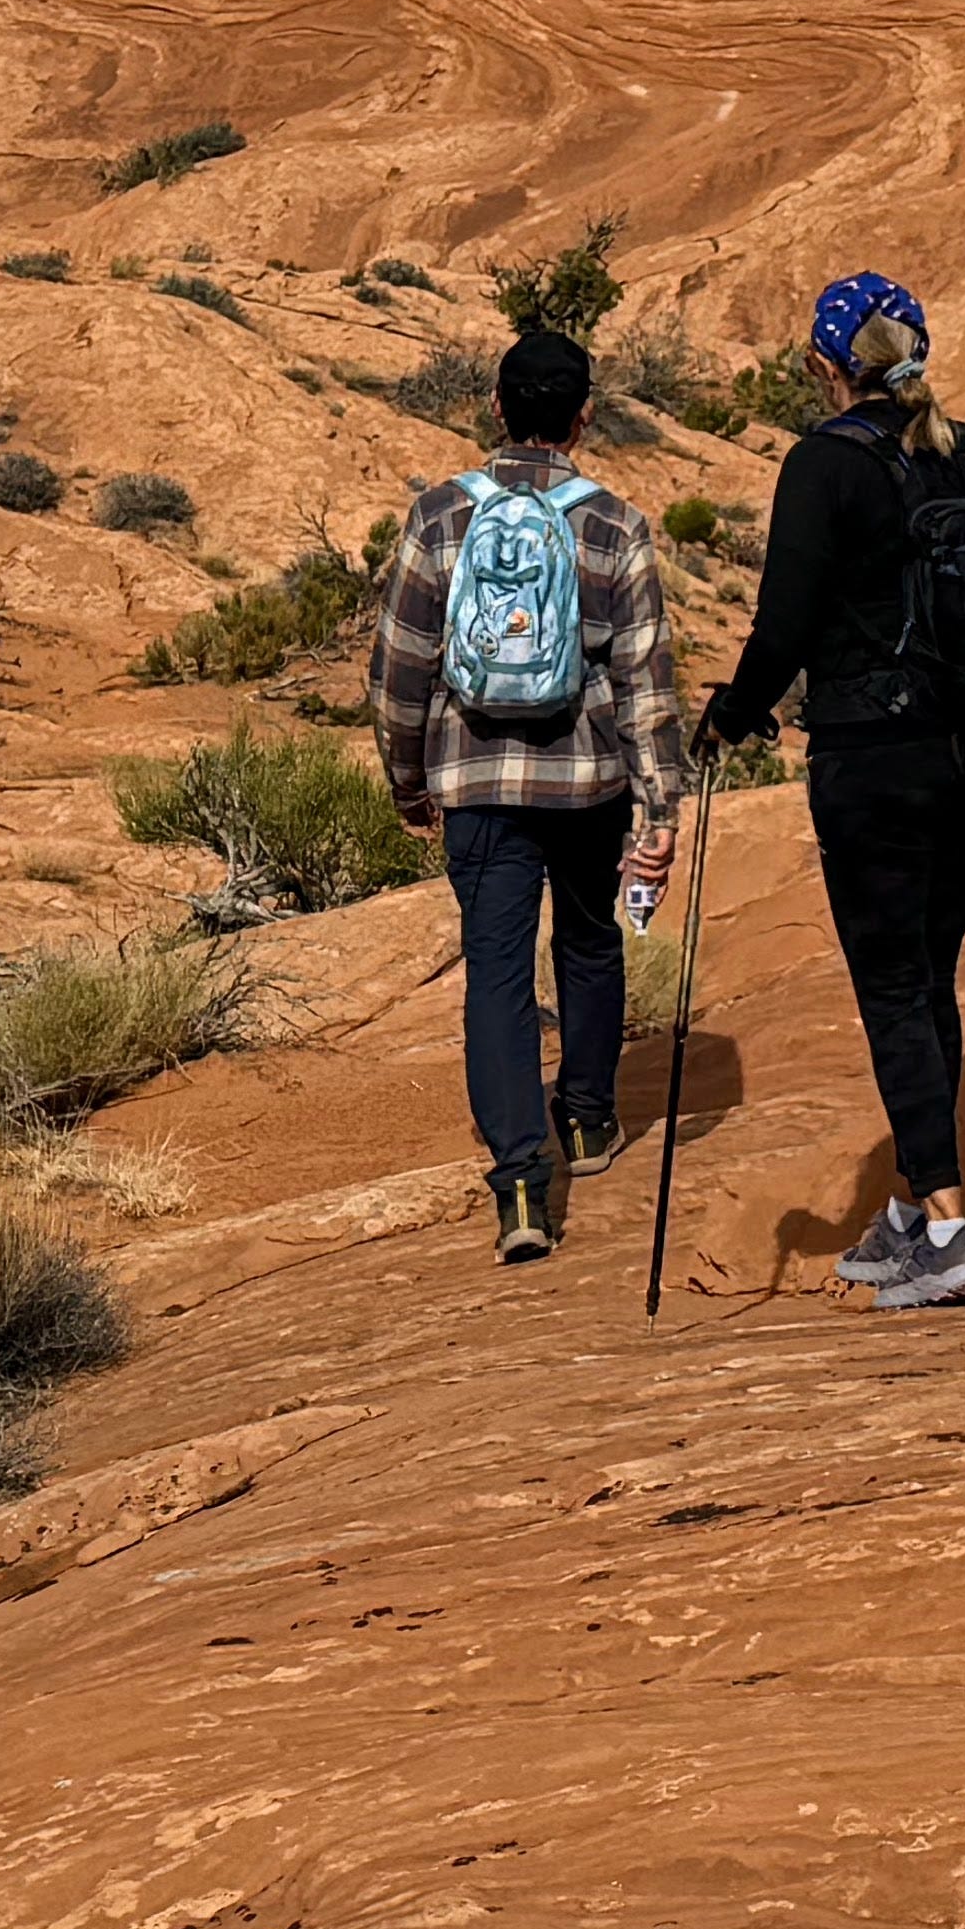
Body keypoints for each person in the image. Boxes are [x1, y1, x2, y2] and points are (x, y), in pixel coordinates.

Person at [698, 270, 965, 1313]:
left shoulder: (826, 462)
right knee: (927, 972)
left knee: (895, 983)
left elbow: (783, 626)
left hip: (878, 761)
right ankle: (911, 1204)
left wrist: (730, 714)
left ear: (826, 364)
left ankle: (945, 1233)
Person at [371, 326, 683, 1267]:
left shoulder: (439, 516)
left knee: (497, 975)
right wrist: (660, 808)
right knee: (589, 941)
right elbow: (646, 683)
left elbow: (400, 667)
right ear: (584, 418)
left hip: (477, 785)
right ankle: (585, 1121)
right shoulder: (616, 526)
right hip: (588, 784)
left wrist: (408, 780)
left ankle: (518, 1187)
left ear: (498, 408)